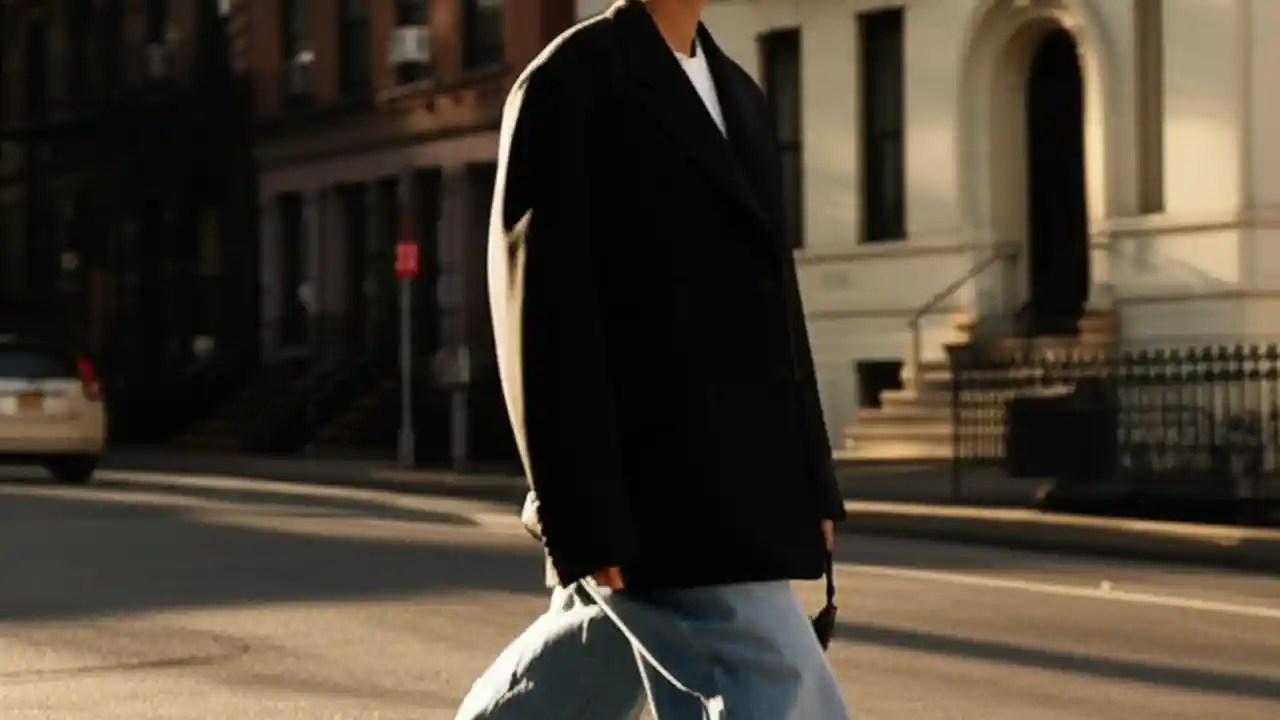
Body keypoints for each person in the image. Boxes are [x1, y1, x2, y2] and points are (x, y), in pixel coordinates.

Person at [458, 0, 851, 717]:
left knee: (584, 669)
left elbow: (775, 306)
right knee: (785, 686)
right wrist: (581, 512)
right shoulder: (568, 84)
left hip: (739, 484)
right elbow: (541, 318)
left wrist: (812, 480)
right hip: (651, 491)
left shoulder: (741, 95)